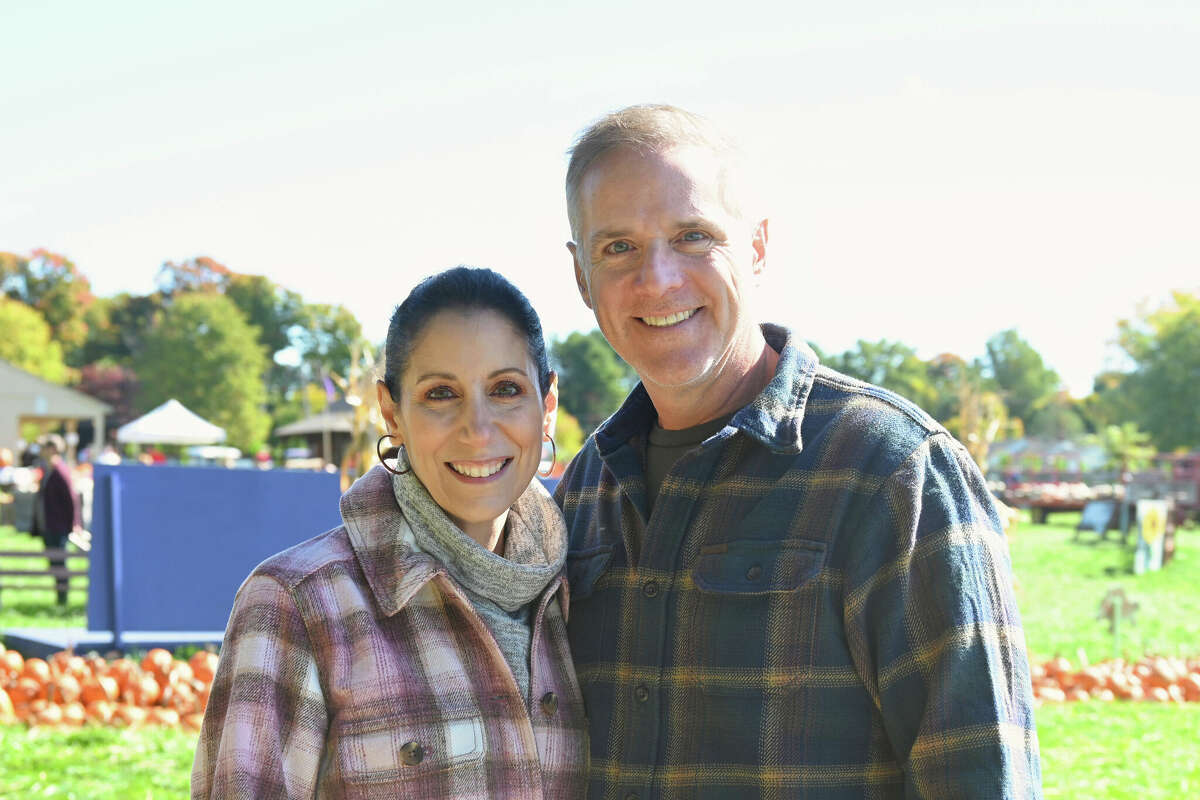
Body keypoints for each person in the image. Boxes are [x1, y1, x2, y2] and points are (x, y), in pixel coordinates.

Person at [556, 104, 1042, 798]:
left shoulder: (893, 472)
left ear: (756, 248)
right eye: (618, 248)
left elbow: (980, 777)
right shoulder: (584, 492)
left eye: (693, 236)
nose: (657, 279)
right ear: (581, 278)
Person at [193, 267, 587, 799]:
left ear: (548, 406)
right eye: (441, 393)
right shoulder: (298, 607)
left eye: (506, 389)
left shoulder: (584, 593)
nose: (478, 427)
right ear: (391, 413)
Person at [31, 434, 81, 605]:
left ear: (52, 449)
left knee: (60, 563)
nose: (41, 451)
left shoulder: (60, 471)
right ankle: (60, 596)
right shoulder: (48, 469)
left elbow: (71, 499)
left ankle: (63, 598)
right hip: (49, 526)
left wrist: (74, 524)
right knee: (53, 562)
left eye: (43, 447)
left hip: (59, 527)